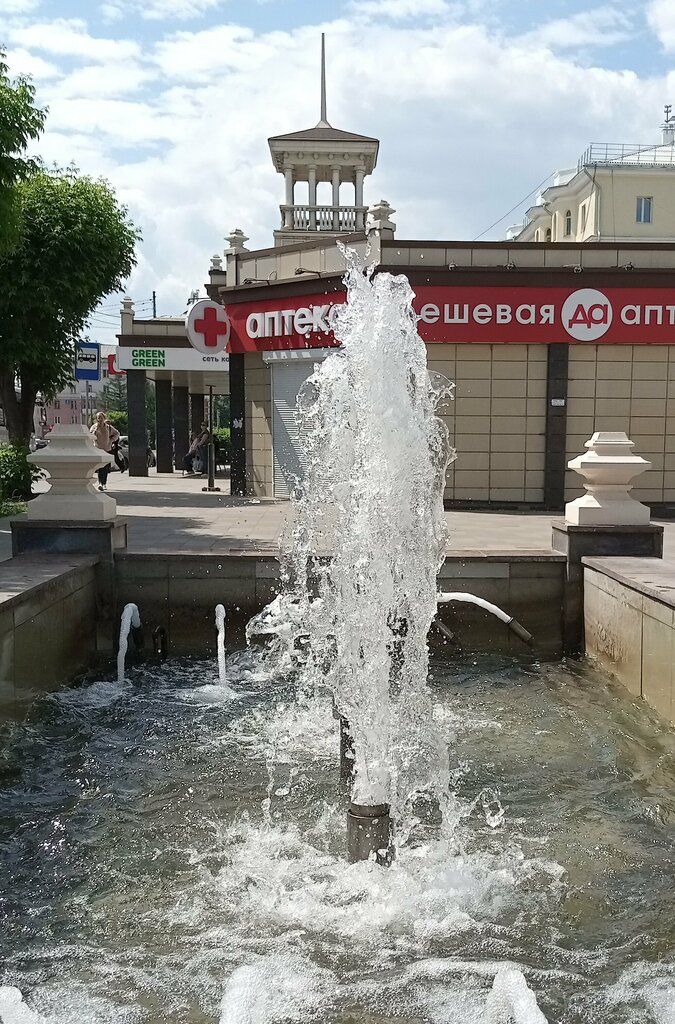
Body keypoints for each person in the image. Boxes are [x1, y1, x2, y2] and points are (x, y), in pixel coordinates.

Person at [90, 411, 120, 491]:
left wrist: (112, 440)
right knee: (100, 467)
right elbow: (90, 436)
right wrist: (94, 431)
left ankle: (104, 483)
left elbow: (117, 433)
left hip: (107, 449)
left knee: (105, 468)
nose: (100, 419)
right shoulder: (94, 427)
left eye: (101, 417)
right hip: (98, 449)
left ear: (104, 418)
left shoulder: (108, 427)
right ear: (96, 419)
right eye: (98, 418)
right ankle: (100, 483)